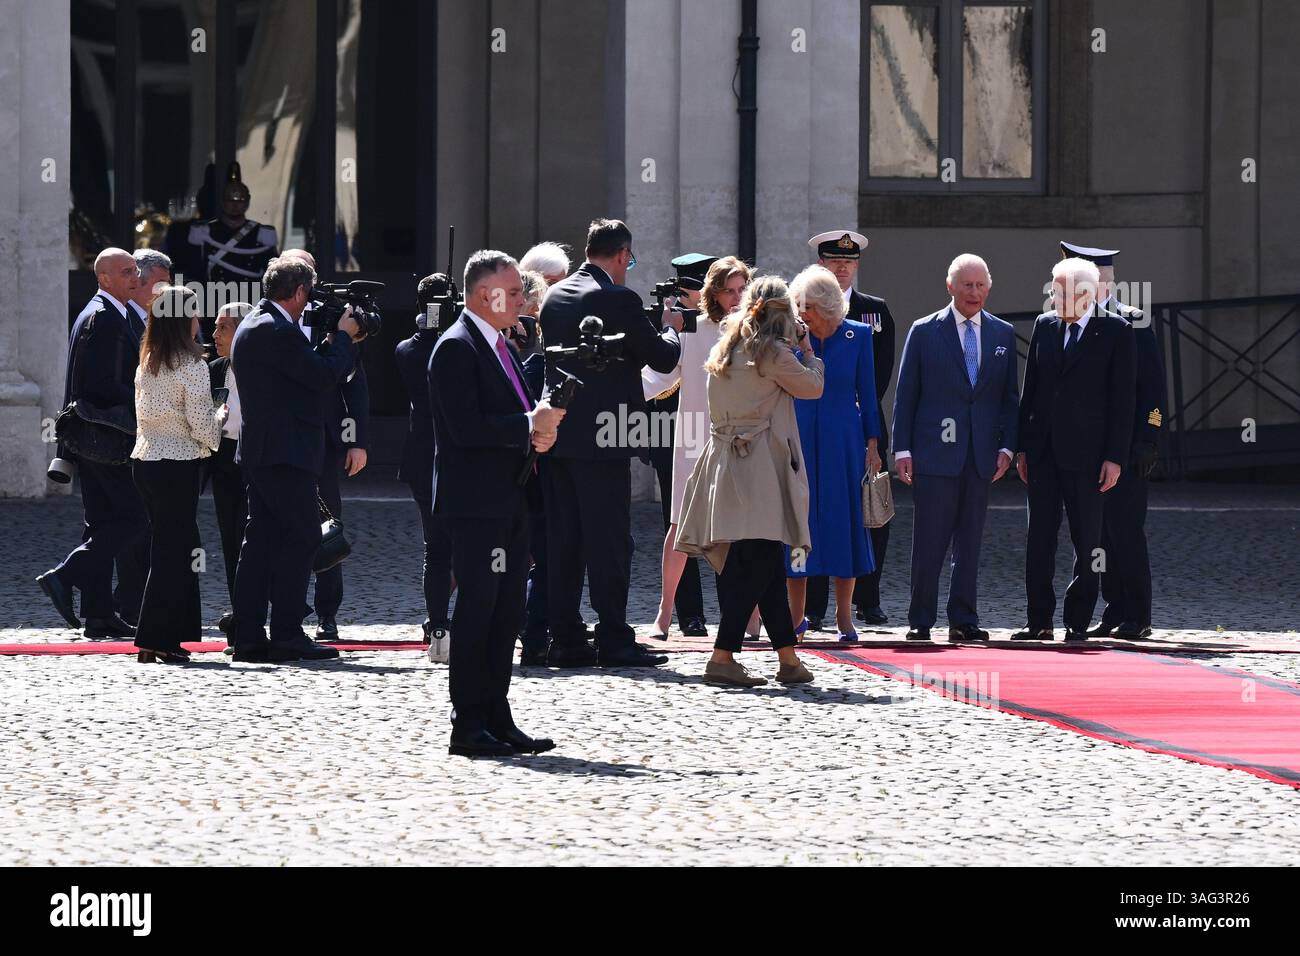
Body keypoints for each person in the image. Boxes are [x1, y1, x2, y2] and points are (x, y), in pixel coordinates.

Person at [428, 250, 565, 757]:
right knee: (479, 610)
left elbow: (512, 418)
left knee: (507, 612)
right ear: (487, 295)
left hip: (509, 496)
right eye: (513, 289)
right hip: (476, 503)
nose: (523, 298)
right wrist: (528, 426)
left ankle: (497, 714)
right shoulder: (456, 347)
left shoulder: (500, 345)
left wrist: (537, 433)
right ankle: (468, 723)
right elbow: (465, 429)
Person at [538, 219, 682, 668]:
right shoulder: (619, 298)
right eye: (630, 260)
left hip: (559, 436)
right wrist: (672, 326)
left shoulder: (554, 295)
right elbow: (662, 356)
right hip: (606, 438)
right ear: (622, 255)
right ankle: (614, 636)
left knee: (564, 540)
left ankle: (565, 636)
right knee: (610, 542)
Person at [675, 275, 822, 687]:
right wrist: (809, 350)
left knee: (764, 562)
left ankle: (788, 659)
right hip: (761, 467)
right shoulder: (772, 353)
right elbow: (813, 387)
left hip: (725, 461)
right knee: (754, 565)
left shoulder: (728, 347)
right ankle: (722, 656)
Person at [228, 256, 360, 662]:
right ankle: (286, 632)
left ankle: (249, 634)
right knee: (302, 537)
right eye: (310, 293)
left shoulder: (258, 322)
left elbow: (298, 375)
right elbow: (322, 376)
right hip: (283, 453)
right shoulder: (274, 330)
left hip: (266, 451)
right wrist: (342, 337)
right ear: (300, 291)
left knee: (261, 541)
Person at [892, 254, 1019, 642]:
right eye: (967, 285)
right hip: (934, 454)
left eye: (981, 285)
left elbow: (1008, 398)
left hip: (981, 456)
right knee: (929, 541)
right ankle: (921, 619)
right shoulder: (925, 330)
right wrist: (902, 450)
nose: (974, 292)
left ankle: (964, 620)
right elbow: (906, 394)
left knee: (970, 542)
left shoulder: (1002, 333)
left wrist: (1009, 448)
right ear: (950, 287)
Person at [1013, 257, 1136, 642]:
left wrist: (1115, 456)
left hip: (1090, 458)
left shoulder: (1116, 331)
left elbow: (1123, 401)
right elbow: (1030, 390)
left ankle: (1077, 622)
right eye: (1054, 289)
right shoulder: (1045, 326)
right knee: (1040, 540)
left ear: (1085, 293)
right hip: (1044, 453)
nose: (1054, 296)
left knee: (1087, 544)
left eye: (1061, 290)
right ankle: (1039, 621)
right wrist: (1021, 448)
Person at [1059, 244, 1168, 641]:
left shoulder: (1132, 321)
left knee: (1125, 532)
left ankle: (1137, 613)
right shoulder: (1072, 322)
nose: (1097, 285)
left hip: (1126, 451)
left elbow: (1152, 392)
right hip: (1087, 451)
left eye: (1102, 279)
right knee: (1094, 536)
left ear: (1110, 281)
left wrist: (1148, 439)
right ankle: (1111, 609)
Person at [37, 248, 147, 640]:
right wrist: (144, 392)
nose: (136, 277)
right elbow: (99, 386)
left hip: (94, 437)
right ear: (104, 278)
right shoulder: (103, 318)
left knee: (100, 522)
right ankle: (65, 575)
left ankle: (99, 614)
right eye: (126, 271)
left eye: (136, 270)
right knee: (136, 518)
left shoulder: (112, 311)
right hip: (106, 437)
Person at [642, 254, 753, 640]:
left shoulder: (753, 330)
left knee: (743, 529)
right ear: (714, 293)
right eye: (729, 290)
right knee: (680, 525)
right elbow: (656, 378)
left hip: (741, 438)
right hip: (693, 435)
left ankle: (751, 615)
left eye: (742, 289)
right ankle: (664, 611)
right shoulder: (691, 329)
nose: (737, 297)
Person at [802, 231, 897, 629]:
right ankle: (814, 606)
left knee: (867, 515)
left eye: (848, 262)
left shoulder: (872, 312)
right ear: (821, 264)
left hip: (855, 425)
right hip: (811, 429)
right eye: (834, 261)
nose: (842, 268)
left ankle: (867, 600)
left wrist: (867, 433)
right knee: (813, 515)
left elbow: (879, 375)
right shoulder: (799, 316)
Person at [784, 264, 882, 642]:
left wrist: (872, 445)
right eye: (798, 305)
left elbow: (868, 393)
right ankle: (796, 619)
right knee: (798, 524)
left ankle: (844, 617)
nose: (801, 312)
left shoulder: (858, 336)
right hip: (799, 437)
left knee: (843, 525)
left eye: (806, 306)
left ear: (826, 306)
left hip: (843, 439)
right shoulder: (791, 339)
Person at [130, 286, 226, 664]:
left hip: (146, 461)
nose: (199, 321)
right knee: (173, 554)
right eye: (195, 313)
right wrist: (221, 419)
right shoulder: (192, 365)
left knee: (173, 548)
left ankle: (176, 633)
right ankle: (156, 639)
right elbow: (202, 426)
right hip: (177, 466)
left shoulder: (148, 359)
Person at [280, 248, 370, 641]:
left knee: (328, 524)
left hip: (326, 439)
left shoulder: (334, 321)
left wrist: (357, 441)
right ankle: (287, 607)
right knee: (280, 524)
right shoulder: (272, 320)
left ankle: (327, 613)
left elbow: (356, 384)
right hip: (282, 438)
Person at [394, 274, 455, 660]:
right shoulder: (418, 349)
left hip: (424, 456)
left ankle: (438, 626)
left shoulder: (411, 346)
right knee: (446, 547)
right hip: (443, 454)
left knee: (437, 548)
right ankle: (440, 626)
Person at [206, 301, 254, 636]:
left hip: (255, 460)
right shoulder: (216, 368)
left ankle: (257, 606)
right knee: (229, 537)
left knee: (254, 537)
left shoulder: (261, 365)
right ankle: (239, 606)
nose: (215, 334)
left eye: (224, 327)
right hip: (224, 460)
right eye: (216, 326)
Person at [184, 162, 279, 287]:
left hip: (252, 298)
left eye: (240, 200)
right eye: (230, 200)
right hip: (215, 297)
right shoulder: (206, 232)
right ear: (223, 202)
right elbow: (195, 270)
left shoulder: (261, 233)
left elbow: (273, 273)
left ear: (247, 202)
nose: (235, 205)